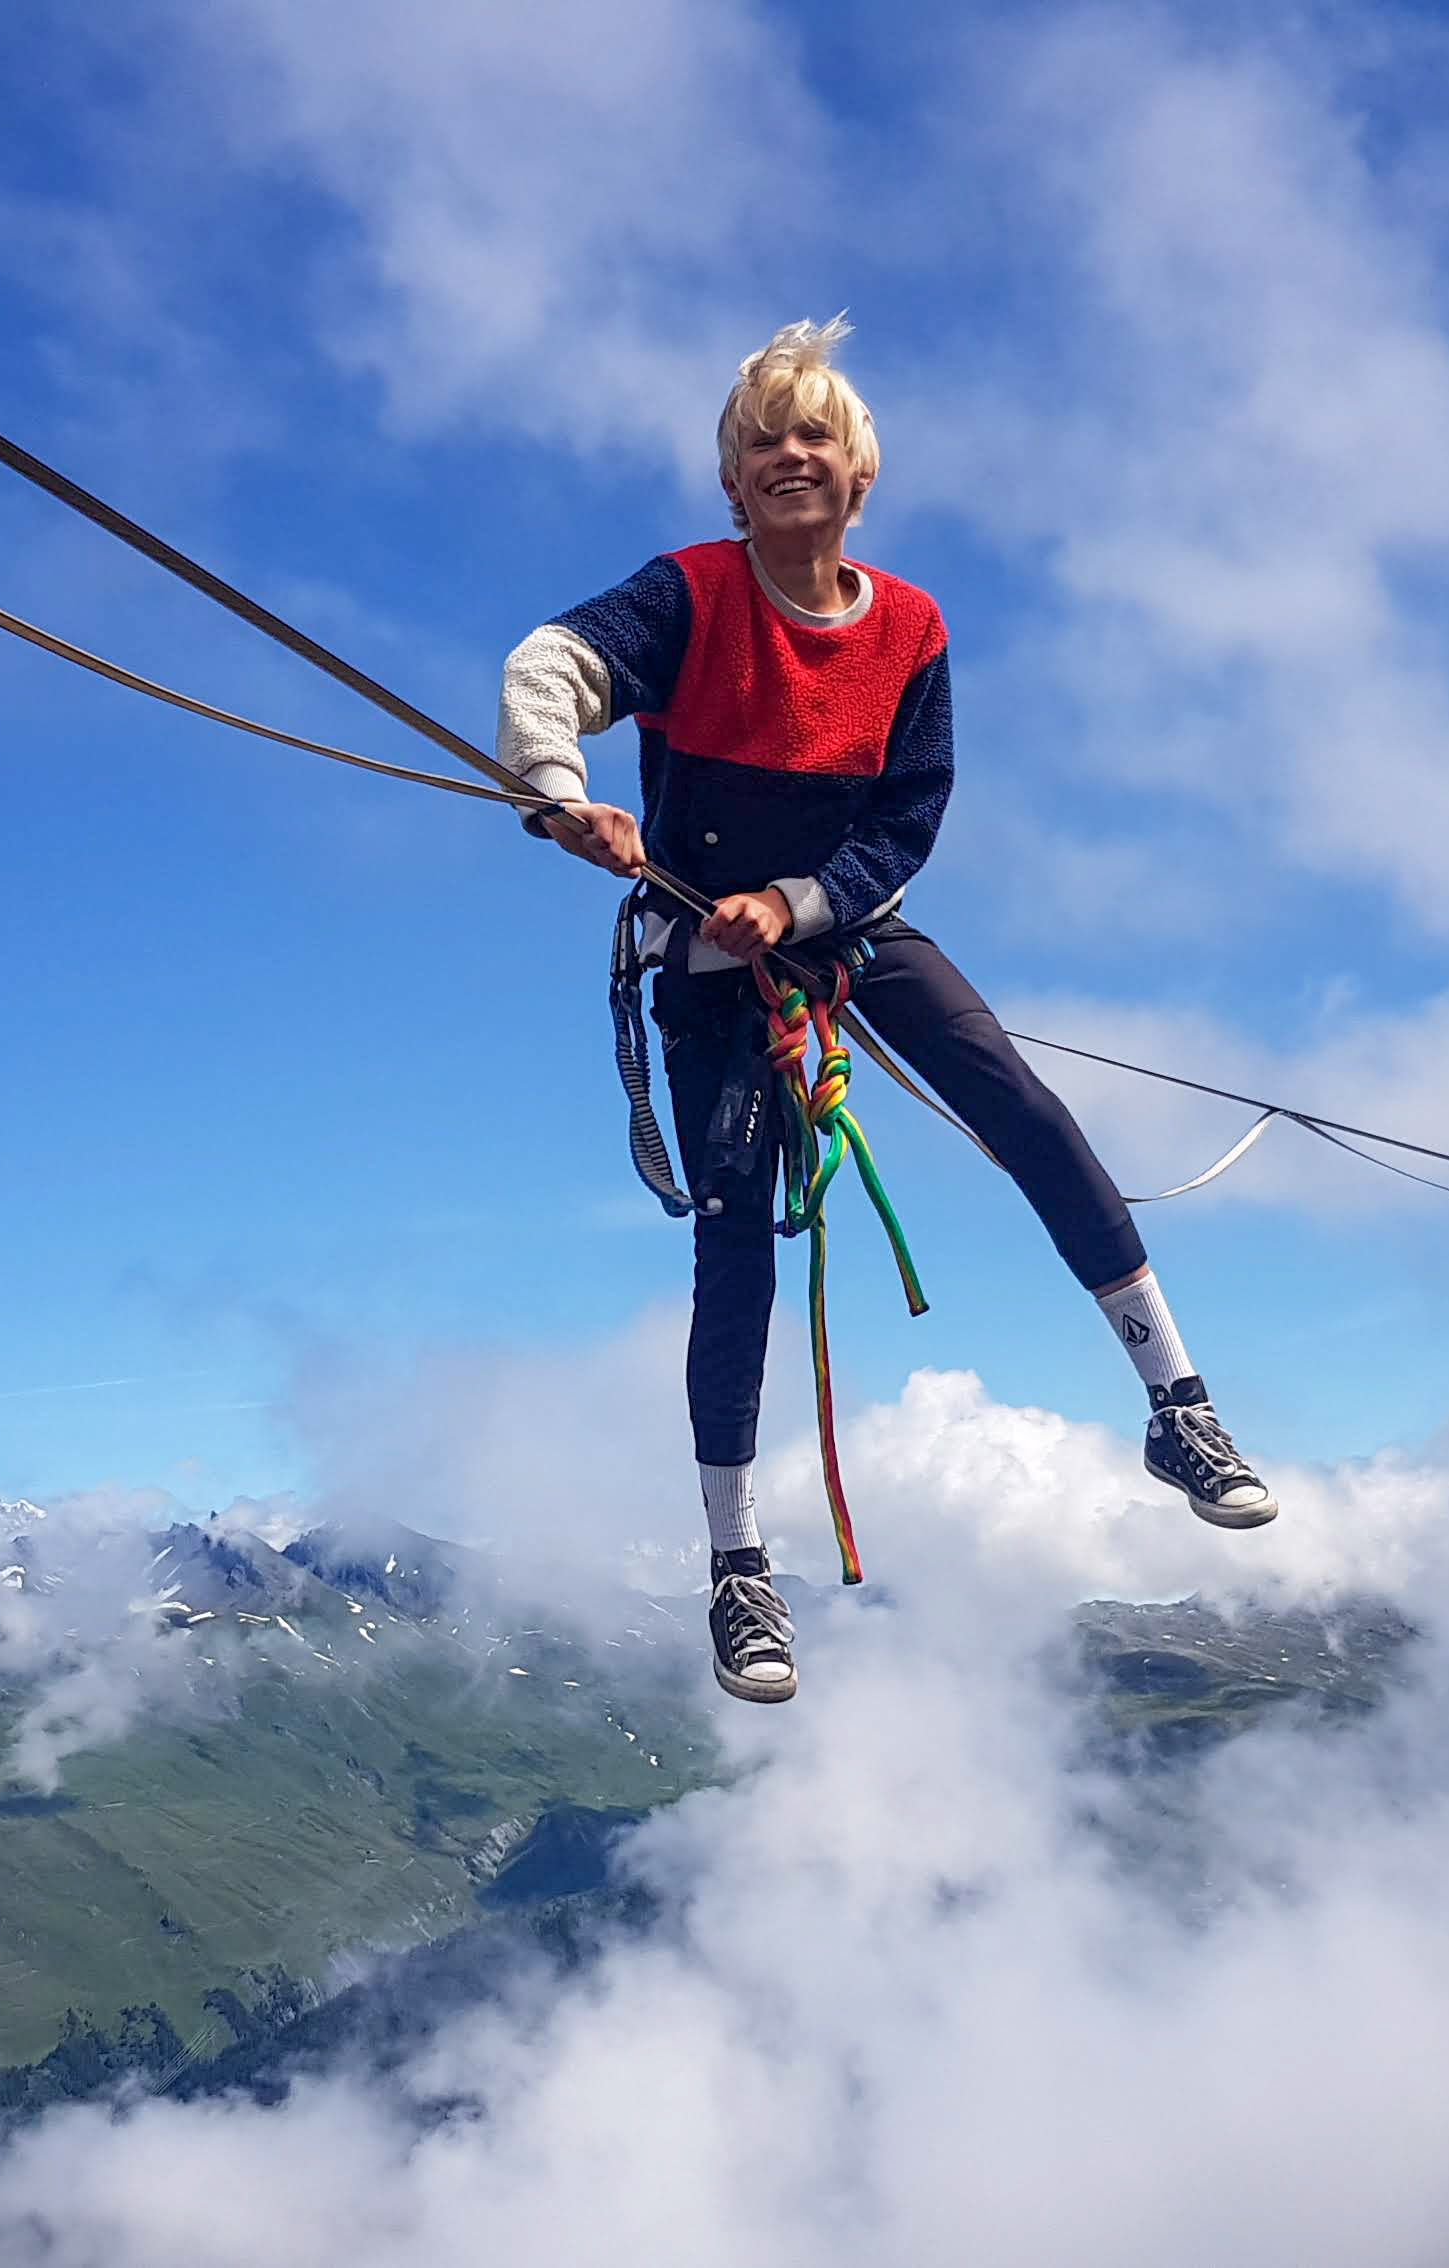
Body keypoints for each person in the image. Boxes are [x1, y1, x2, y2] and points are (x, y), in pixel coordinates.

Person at [497, 318, 1276, 1705]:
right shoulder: (688, 598)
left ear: (859, 478)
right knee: (736, 1235)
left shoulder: (909, 629)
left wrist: (798, 904)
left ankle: (1180, 1409)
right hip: (704, 946)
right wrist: (560, 790)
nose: (789, 458)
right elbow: (552, 664)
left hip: (840, 925)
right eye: (760, 444)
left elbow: (907, 818)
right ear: (732, 489)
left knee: (1024, 1110)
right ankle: (739, 1567)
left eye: (815, 439)